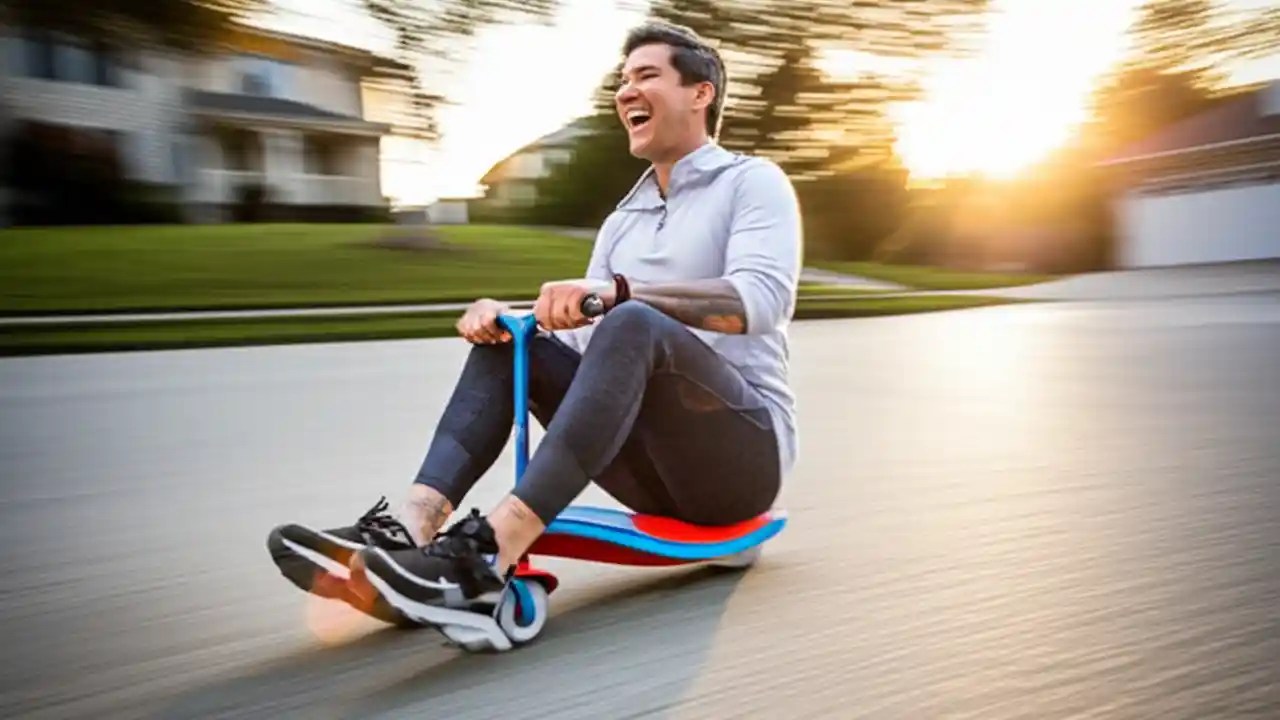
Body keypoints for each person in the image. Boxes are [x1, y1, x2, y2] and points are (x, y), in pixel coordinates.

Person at [267, 20, 801, 628]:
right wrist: (513, 323)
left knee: (634, 320)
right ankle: (410, 533)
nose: (626, 92)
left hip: (742, 460)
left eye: (646, 76)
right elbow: (585, 351)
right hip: (650, 470)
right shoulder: (623, 220)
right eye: (623, 82)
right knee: (516, 344)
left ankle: (490, 551)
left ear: (701, 93)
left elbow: (761, 301)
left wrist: (620, 294)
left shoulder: (751, 183)